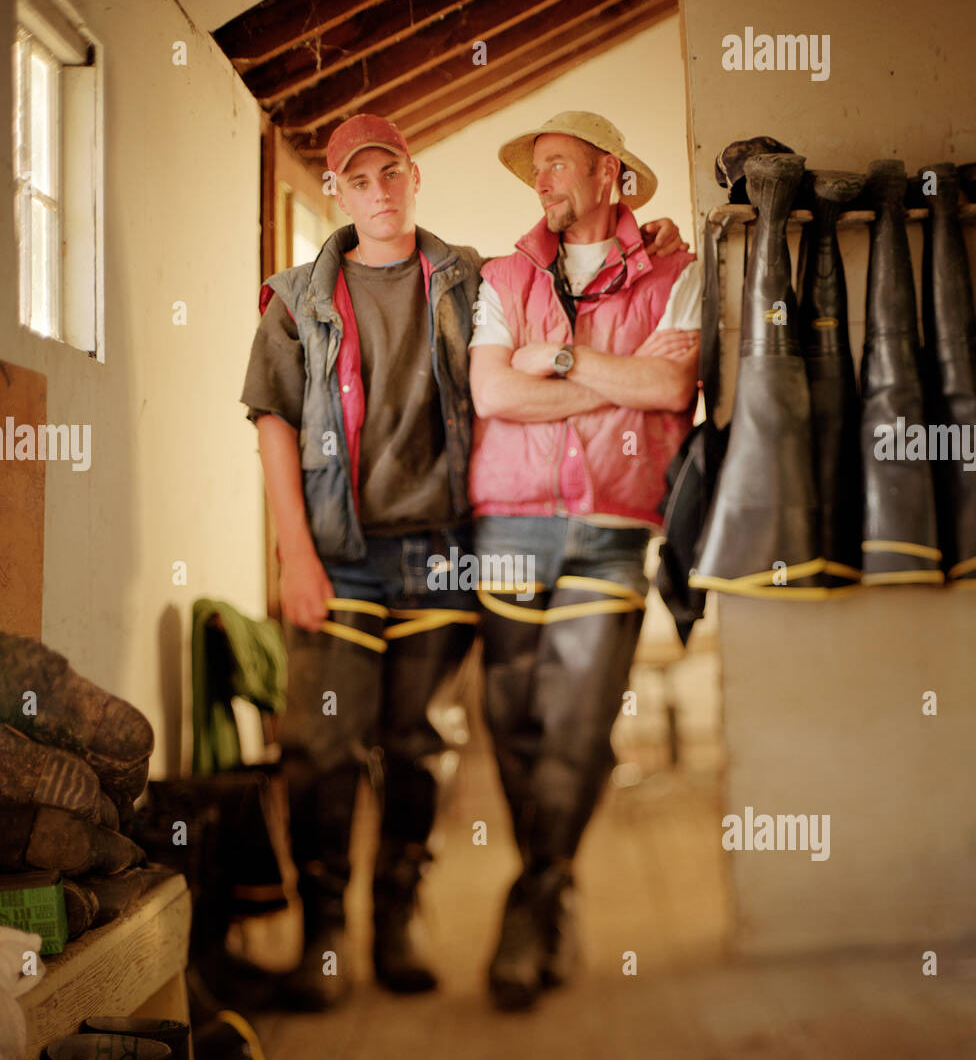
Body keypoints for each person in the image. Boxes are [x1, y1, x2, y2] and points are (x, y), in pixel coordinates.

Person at [240, 112, 688, 1012]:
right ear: (337, 192)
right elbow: (276, 424)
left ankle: (396, 919)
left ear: (413, 175)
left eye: (390, 174)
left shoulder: (465, 276)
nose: (377, 193)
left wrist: (652, 232)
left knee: (416, 745)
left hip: (441, 552)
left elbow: (614, 318)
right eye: (357, 181)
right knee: (325, 742)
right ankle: (326, 936)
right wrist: (294, 551)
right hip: (340, 554)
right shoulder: (295, 299)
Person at [468, 111, 702, 1011]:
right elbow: (492, 389)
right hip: (508, 530)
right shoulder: (503, 274)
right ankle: (553, 890)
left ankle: (528, 908)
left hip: (612, 527)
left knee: (575, 728)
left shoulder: (676, 272)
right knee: (513, 725)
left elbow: (671, 386)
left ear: (612, 174)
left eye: (558, 164)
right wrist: (609, 380)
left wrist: (557, 361)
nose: (543, 181)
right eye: (536, 169)